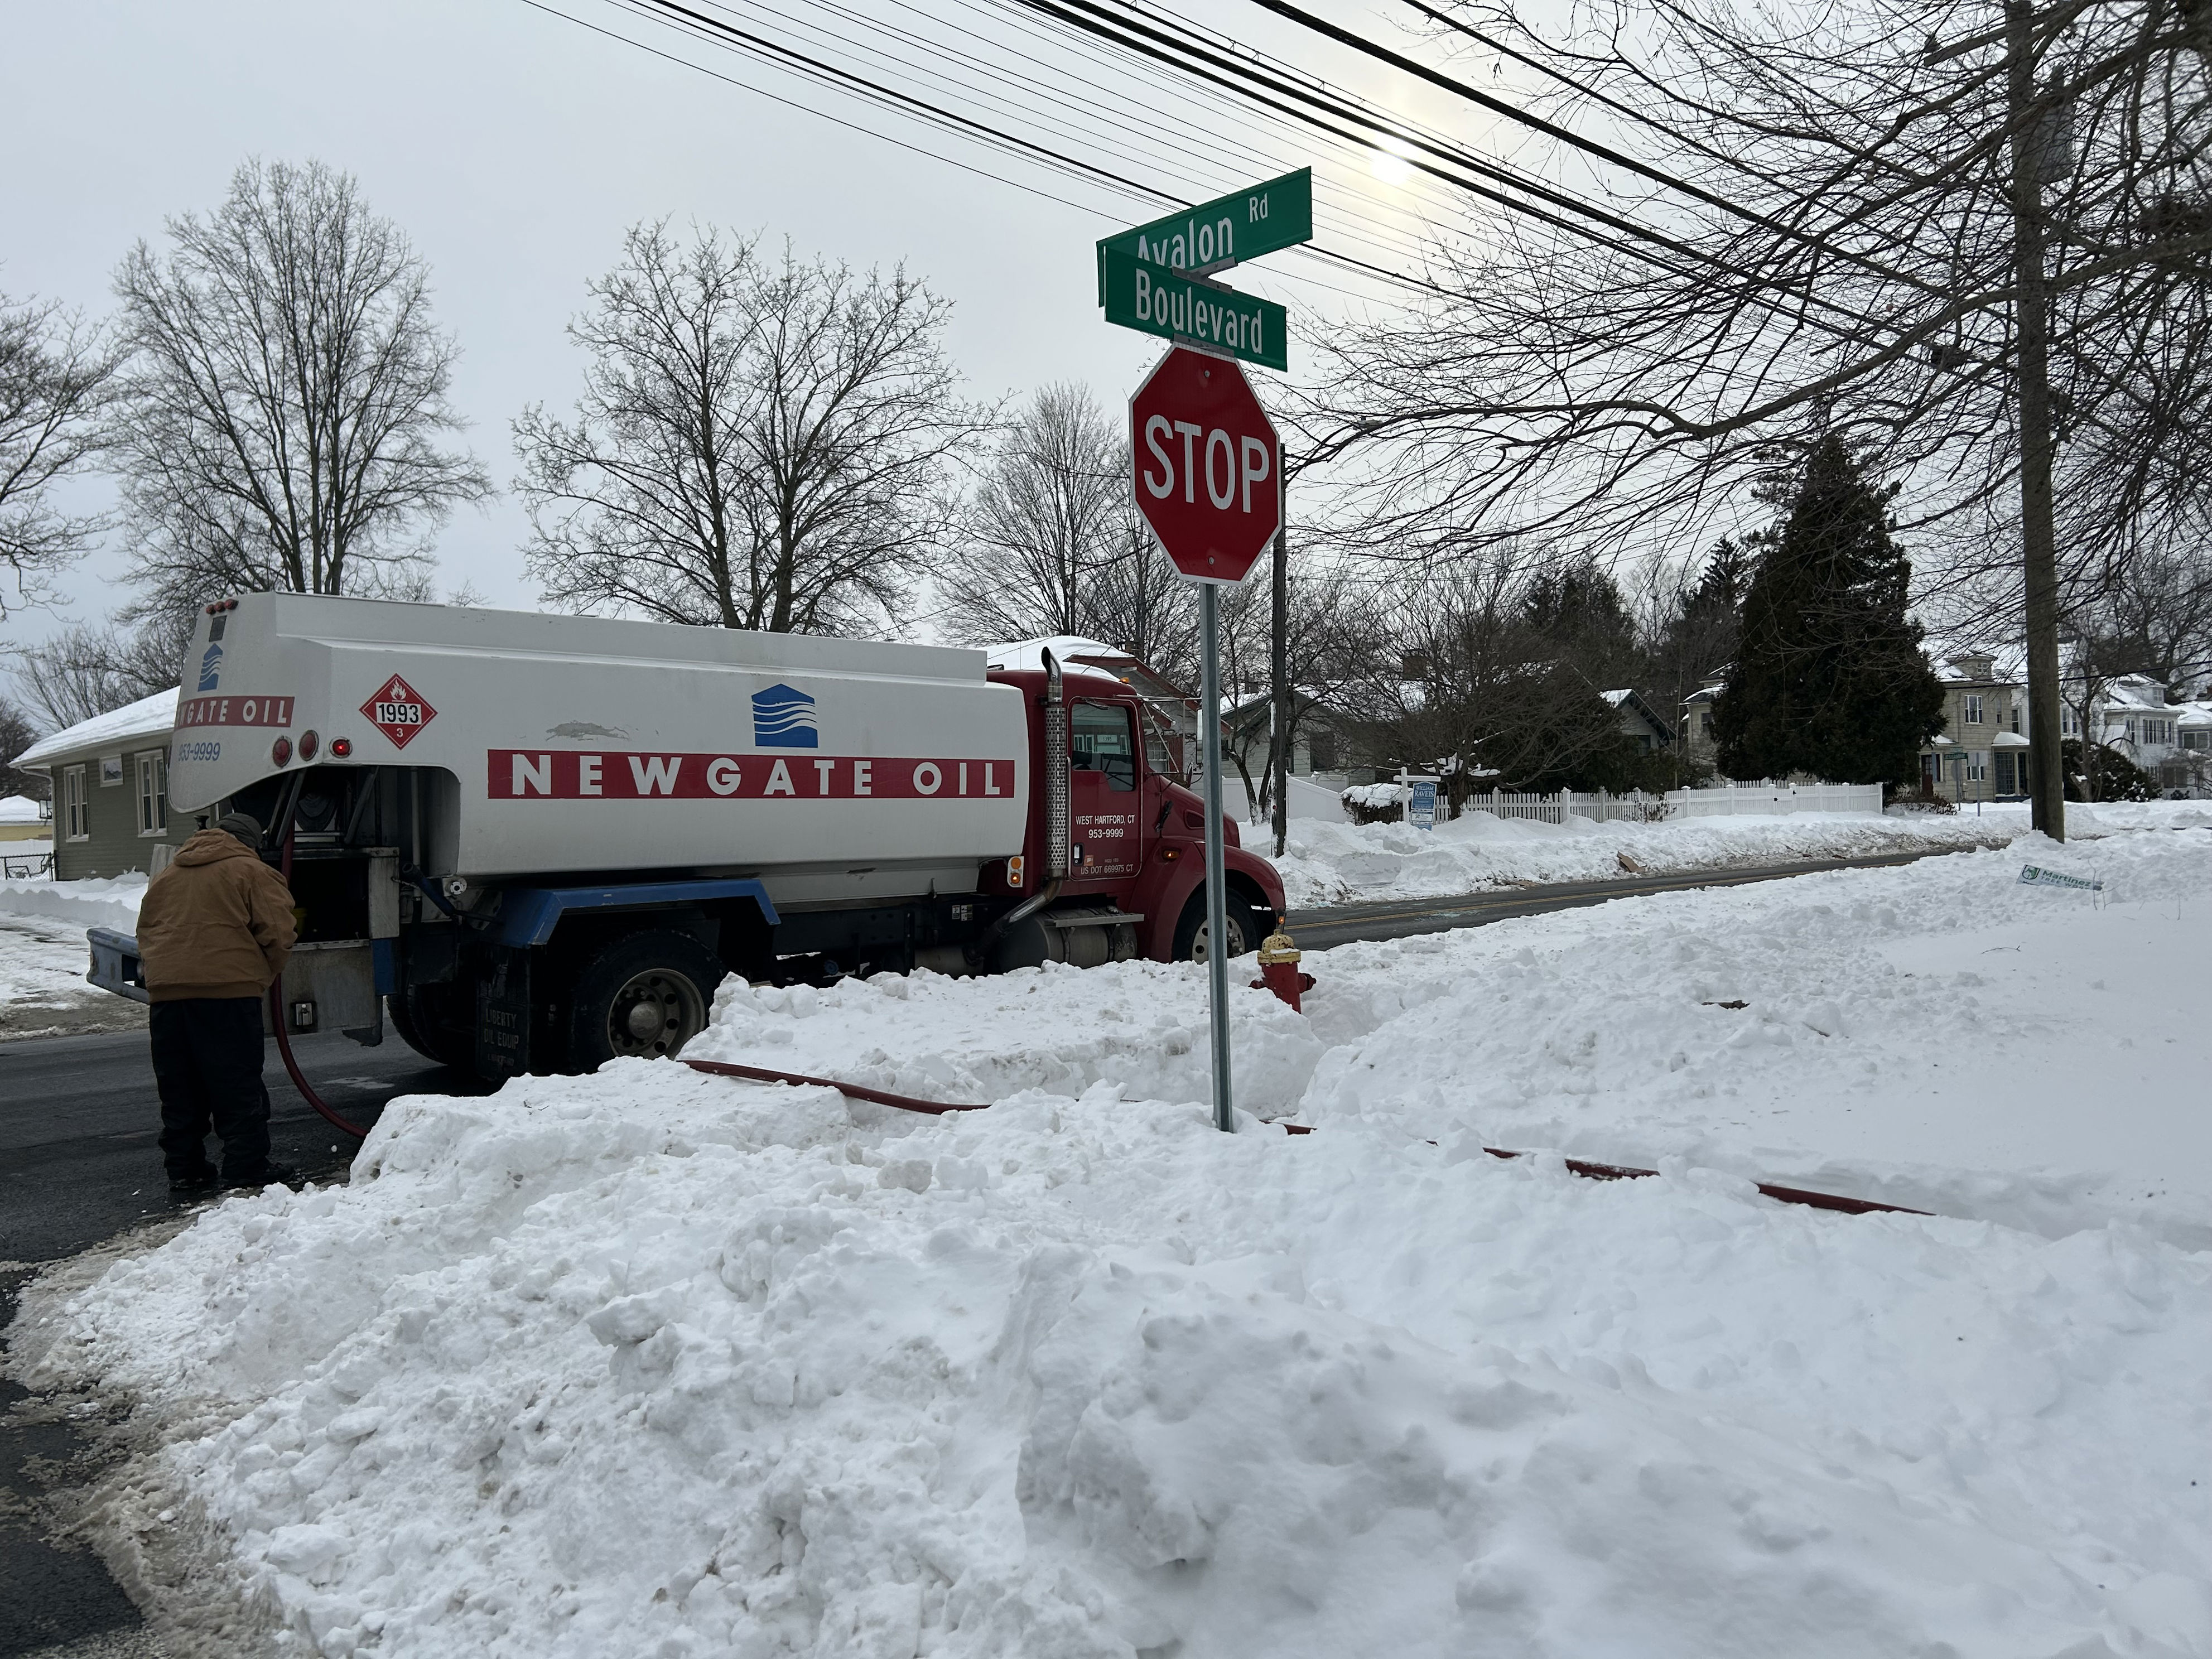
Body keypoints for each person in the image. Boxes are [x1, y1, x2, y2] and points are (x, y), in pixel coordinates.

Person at [136, 811, 298, 1195]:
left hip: (168, 998)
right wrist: (262, 973)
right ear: (250, 842)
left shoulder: (169, 874)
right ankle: (246, 1168)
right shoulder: (250, 870)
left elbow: (146, 930)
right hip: (227, 995)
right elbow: (278, 932)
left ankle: (185, 1168)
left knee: (180, 1087)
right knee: (236, 1083)